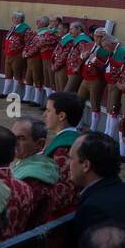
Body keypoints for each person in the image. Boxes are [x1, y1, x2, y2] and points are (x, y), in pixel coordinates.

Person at [11, 117, 59, 229]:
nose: (14, 143)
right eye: (12, 137)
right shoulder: (36, 164)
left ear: (40, 144)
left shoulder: (32, 178)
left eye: (21, 138)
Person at [42, 91, 84, 219]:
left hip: (60, 217)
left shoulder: (65, 147)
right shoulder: (73, 138)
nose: (44, 115)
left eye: (48, 111)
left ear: (61, 116)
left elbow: (65, 190)